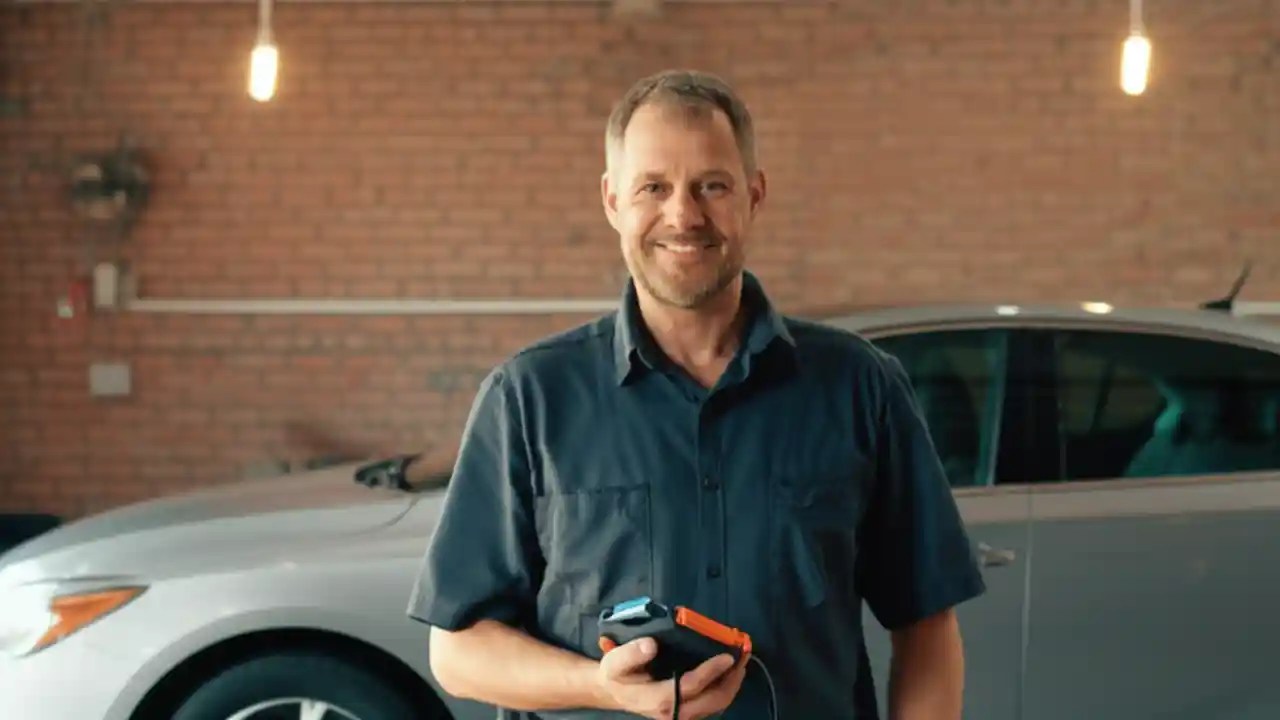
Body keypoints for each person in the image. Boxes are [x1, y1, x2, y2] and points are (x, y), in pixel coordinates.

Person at [407, 69, 986, 720]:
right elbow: (458, 651)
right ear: (612, 201)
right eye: (653, 187)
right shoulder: (528, 398)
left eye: (712, 185)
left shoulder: (860, 387)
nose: (683, 216)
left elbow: (927, 628)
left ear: (754, 195)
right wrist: (599, 685)